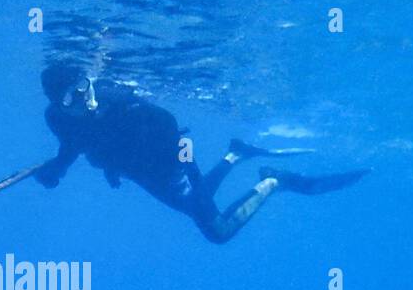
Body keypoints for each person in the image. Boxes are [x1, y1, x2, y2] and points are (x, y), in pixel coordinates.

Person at [34, 63, 369, 243]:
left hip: (172, 162)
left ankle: (274, 182)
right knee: (197, 205)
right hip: (142, 174)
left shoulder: (121, 104)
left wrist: (191, 174)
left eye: (84, 87)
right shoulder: (57, 120)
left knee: (217, 230)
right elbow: (72, 146)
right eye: (70, 100)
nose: (85, 100)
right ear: (57, 107)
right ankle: (235, 155)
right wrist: (57, 170)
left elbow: (172, 130)